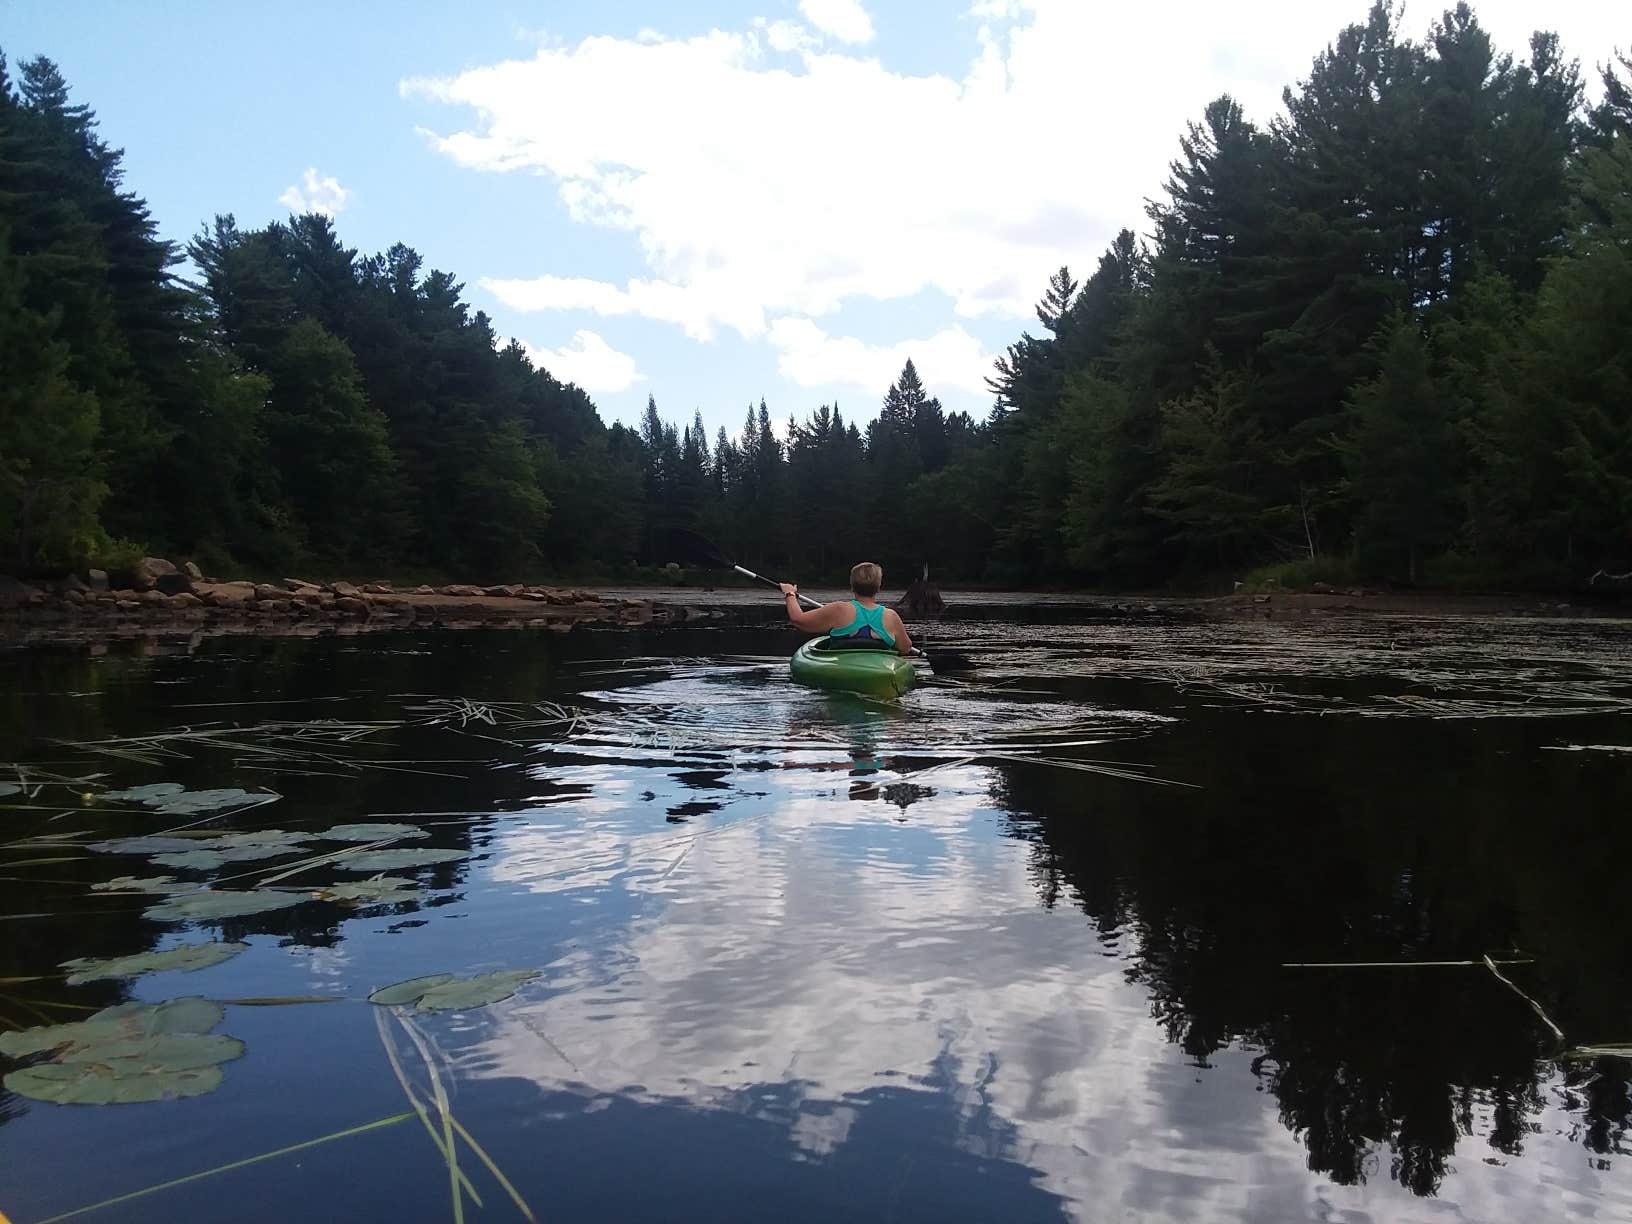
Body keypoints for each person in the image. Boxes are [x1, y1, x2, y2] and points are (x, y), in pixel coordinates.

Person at [778, 562, 914, 656]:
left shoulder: (839, 609)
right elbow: (905, 648)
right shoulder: (891, 616)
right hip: (879, 671)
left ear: (852, 586)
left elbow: (797, 619)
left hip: (842, 669)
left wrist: (789, 593)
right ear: (878, 587)